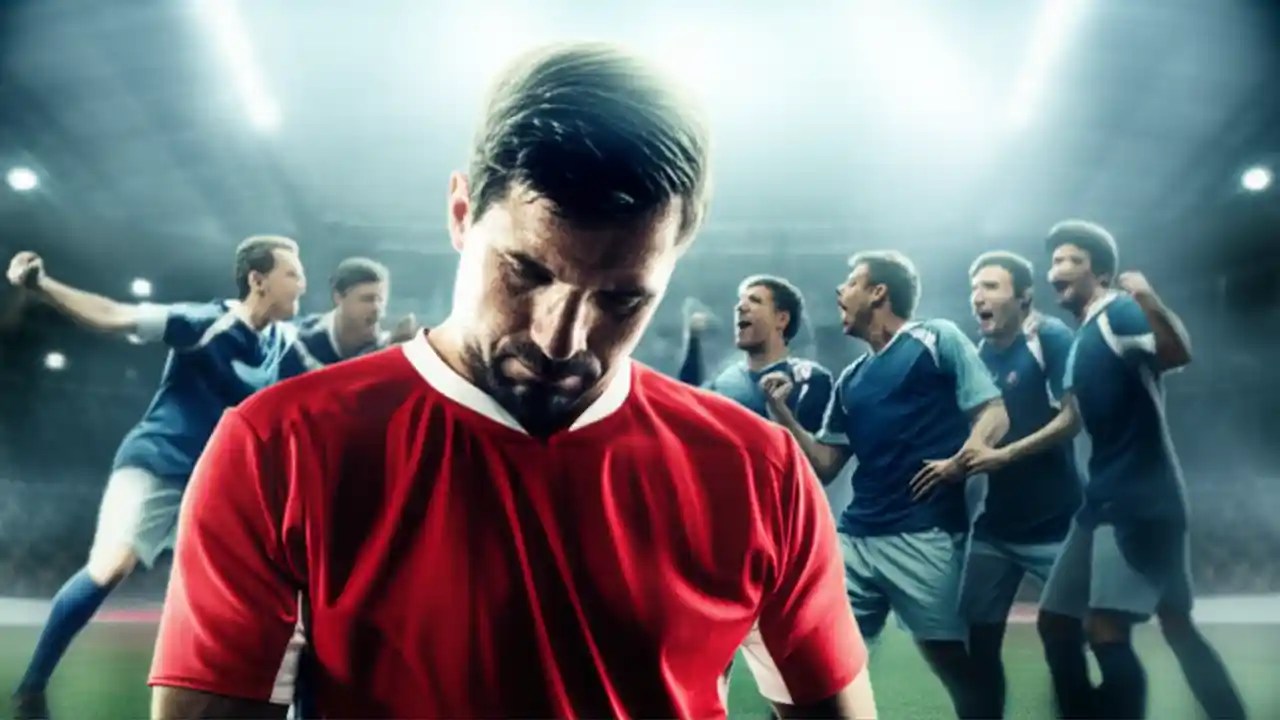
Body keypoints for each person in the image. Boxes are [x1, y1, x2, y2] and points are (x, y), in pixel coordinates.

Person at [148, 42, 875, 720]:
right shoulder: (277, 447)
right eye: (525, 273)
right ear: (462, 213)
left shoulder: (761, 472)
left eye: (622, 299)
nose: (561, 340)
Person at [7, 236, 307, 720]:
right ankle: (31, 688)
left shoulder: (282, 344)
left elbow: (336, 375)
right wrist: (41, 284)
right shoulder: (204, 323)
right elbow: (113, 314)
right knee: (113, 566)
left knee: (272, 584)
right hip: (156, 462)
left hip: (210, 486)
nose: (303, 283)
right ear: (258, 280)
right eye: (292, 274)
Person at [763, 249, 1008, 719]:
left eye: (851, 282)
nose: (839, 291)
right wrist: (783, 415)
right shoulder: (851, 380)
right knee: (809, 658)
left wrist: (963, 459)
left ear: (878, 292)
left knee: (953, 663)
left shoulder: (936, 338)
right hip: (855, 538)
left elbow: (993, 412)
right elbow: (828, 463)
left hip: (925, 533)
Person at [1037, 220, 1245, 719]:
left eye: (1070, 260)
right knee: (1061, 622)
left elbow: (1176, 353)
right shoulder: (1081, 336)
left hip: (1138, 500)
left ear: (1101, 273)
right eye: (1054, 261)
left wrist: (1147, 296)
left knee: (1106, 629)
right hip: (1103, 500)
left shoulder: (1118, 313)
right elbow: (1070, 417)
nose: (1055, 271)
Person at [958, 251, 1083, 718]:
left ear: (1024, 297)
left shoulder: (1049, 337)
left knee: (1064, 646)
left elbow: (1074, 418)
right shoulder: (981, 353)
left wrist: (1004, 455)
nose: (978, 297)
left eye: (991, 287)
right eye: (975, 288)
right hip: (996, 528)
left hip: (1057, 527)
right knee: (975, 645)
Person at [678, 275, 833, 432]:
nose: (740, 307)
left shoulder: (808, 379)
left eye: (755, 300)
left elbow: (813, 451)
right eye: (740, 301)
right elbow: (687, 407)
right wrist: (694, 343)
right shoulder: (722, 382)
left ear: (782, 319)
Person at [284, 256, 418, 374]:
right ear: (338, 298)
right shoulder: (294, 340)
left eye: (380, 300)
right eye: (367, 299)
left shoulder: (387, 346)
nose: (377, 308)